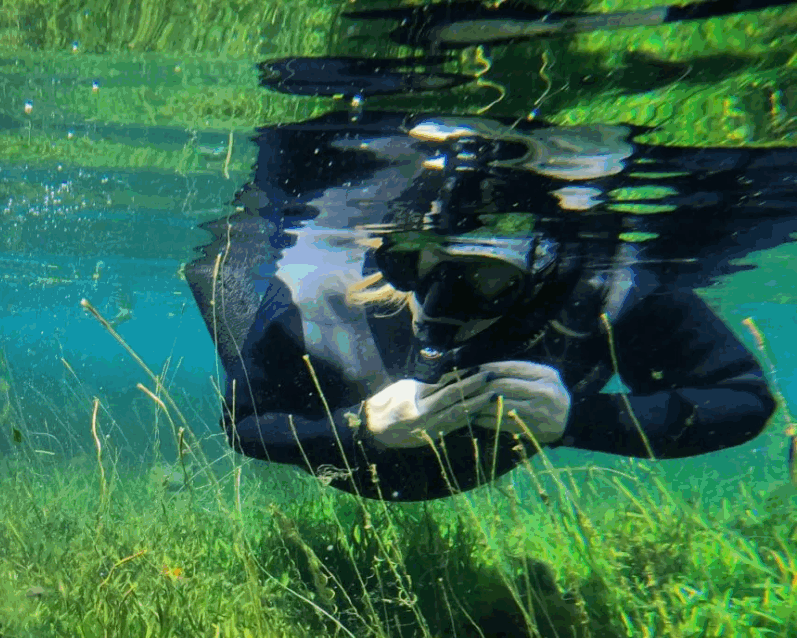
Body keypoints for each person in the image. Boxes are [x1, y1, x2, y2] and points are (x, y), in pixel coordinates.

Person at [187, 113, 780, 501]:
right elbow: (244, 427)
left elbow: (744, 399)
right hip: (344, 430)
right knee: (230, 291)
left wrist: (576, 420)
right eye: (415, 266)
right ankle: (226, 272)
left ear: (545, 266)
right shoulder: (323, 294)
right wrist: (358, 427)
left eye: (482, 278)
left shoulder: (604, 289)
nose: (438, 306)